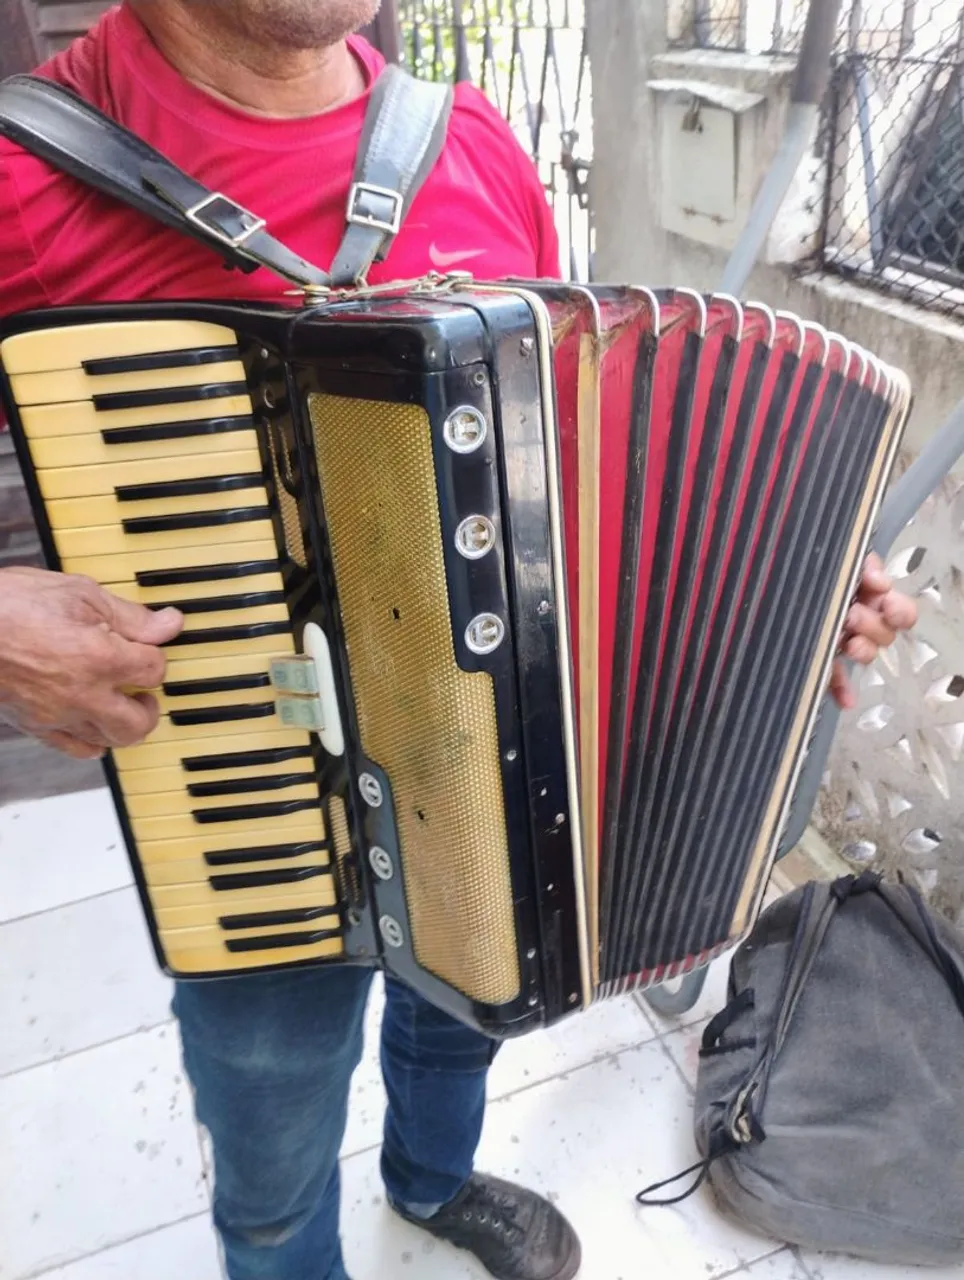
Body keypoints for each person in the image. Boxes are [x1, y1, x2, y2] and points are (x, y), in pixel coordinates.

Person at [0, 3, 918, 1278]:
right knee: (271, 1087)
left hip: (473, 763)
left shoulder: (469, 140)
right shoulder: (26, 170)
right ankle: (279, 1248)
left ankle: (430, 1176)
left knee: (470, 1000)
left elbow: (587, 450)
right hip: (250, 794)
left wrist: (787, 585)